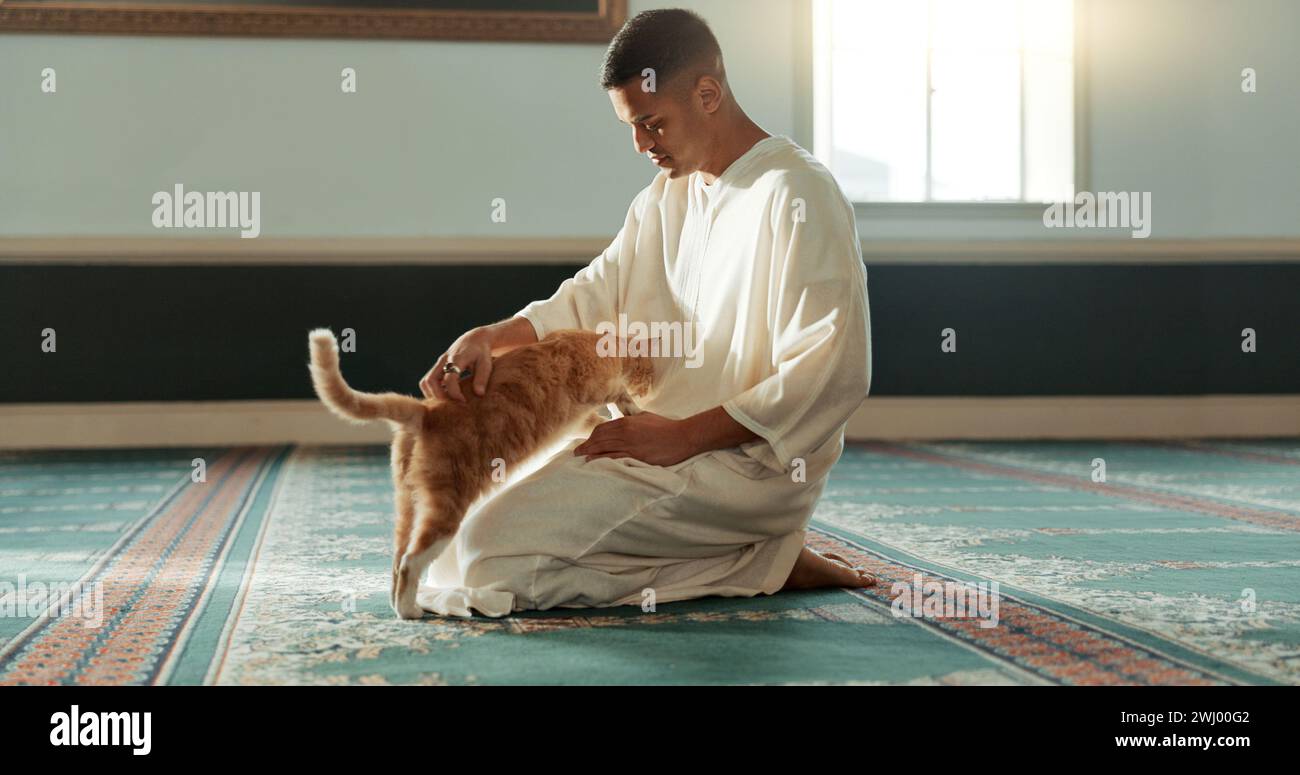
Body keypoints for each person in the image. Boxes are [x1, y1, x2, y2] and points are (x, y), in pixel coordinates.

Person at [414, 8, 874, 617]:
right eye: (631, 126)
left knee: (485, 559)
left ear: (707, 94)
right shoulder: (666, 196)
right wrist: (490, 336)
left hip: (744, 465)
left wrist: (682, 436)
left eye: (652, 124)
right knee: (451, 533)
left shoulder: (798, 192)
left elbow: (833, 369)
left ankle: (762, 555)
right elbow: (594, 292)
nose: (641, 145)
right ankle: (760, 560)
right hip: (647, 440)